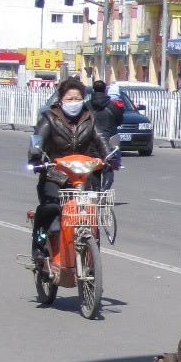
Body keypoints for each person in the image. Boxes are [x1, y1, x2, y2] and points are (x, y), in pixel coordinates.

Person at [28, 78, 118, 264]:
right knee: (51, 209)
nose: (73, 102)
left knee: (90, 214)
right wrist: (36, 157)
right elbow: (38, 139)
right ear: (61, 100)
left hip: (82, 177)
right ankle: (39, 244)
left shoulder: (89, 118)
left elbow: (101, 139)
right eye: (69, 99)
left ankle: (92, 261)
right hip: (55, 176)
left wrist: (111, 157)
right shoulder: (49, 118)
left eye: (77, 98)